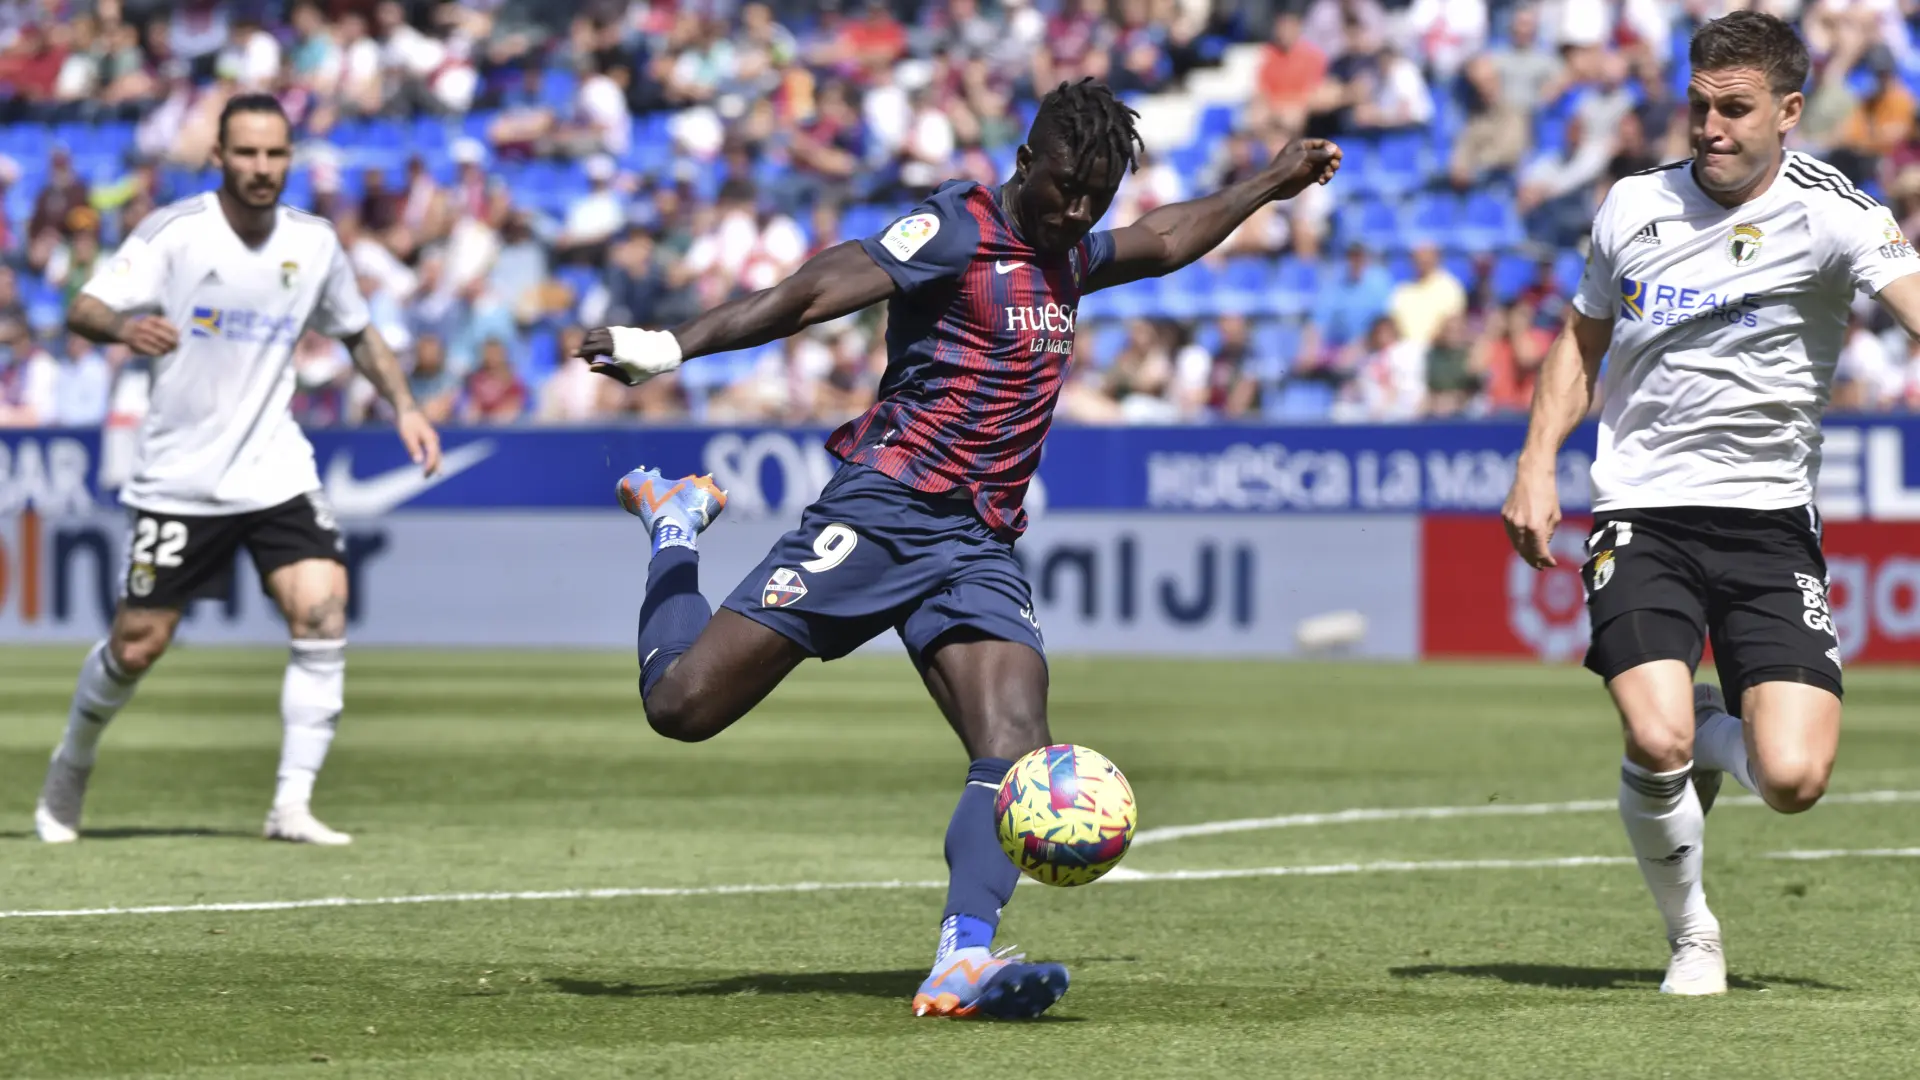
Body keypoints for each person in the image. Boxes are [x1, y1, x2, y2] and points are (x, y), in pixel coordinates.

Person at [576, 78, 1340, 1020]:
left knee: (1017, 749)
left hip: (976, 541)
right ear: (1026, 163)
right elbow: (815, 288)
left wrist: (1270, 179)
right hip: (886, 509)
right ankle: (676, 529)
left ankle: (961, 959)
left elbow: (1169, 238)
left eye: (1094, 199)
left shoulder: (1069, 252)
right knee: (680, 706)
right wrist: (670, 345)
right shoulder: (958, 232)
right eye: (1063, 188)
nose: (1076, 212)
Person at [1500, 12, 1920, 996]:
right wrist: (1535, 462)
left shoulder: (1838, 214)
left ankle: (1704, 726)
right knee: (1654, 741)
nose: (1711, 128)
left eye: (1734, 109)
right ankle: (1694, 935)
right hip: (1642, 510)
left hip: (1771, 523)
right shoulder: (1631, 206)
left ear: (1789, 113)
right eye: (1698, 107)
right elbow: (1580, 339)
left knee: (1793, 781)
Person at [34, 94, 443, 847]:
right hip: (180, 475)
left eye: (275, 154)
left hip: (275, 465)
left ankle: (290, 805)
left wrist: (407, 408)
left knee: (322, 609)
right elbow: (83, 308)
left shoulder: (315, 243)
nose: (261, 168)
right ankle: (71, 763)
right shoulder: (175, 233)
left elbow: (357, 332)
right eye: (247, 153)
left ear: (290, 159)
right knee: (137, 646)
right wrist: (126, 326)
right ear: (218, 157)